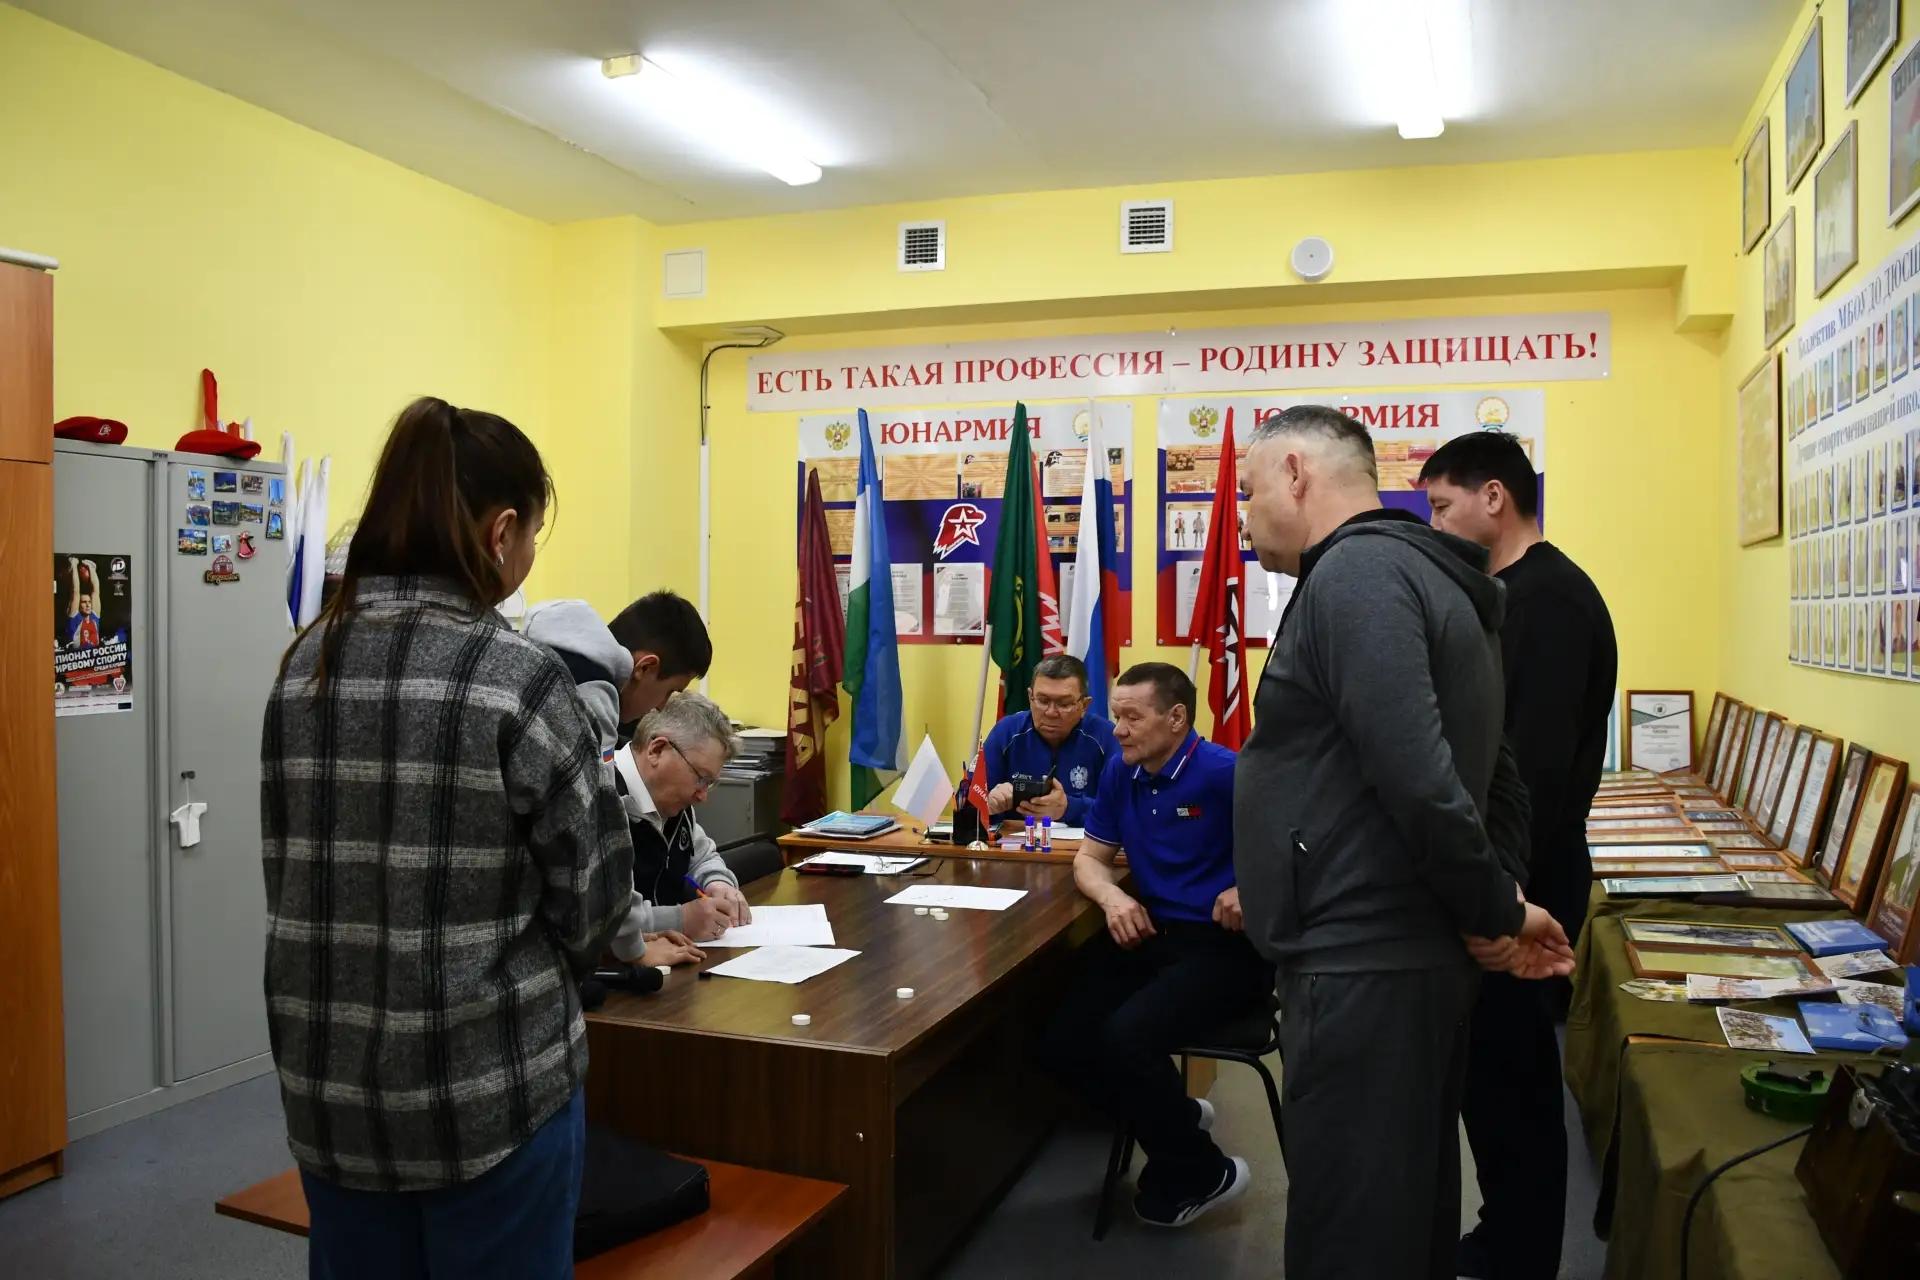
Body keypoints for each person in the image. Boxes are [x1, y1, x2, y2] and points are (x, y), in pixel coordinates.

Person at [261, 397, 634, 1280]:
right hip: (491, 1092)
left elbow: (288, 868)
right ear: (502, 532)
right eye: (532, 532)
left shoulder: (304, 664)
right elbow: (593, 903)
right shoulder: (518, 676)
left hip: (331, 1086)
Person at [1233, 405, 1574, 1280]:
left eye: (1247, 490)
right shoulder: (1434, 576)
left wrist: (1496, 910)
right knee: (1402, 1216)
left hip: (1362, 966)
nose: (1242, 516)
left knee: (1352, 1232)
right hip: (1403, 959)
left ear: (1296, 474)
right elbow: (1498, 775)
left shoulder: (1357, 576)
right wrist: (1497, 904)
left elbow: (1421, 778)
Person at [1420, 430, 1618, 1280]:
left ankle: (1523, 1251)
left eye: (1441, 505)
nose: (1434, 524)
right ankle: (1504, 1229)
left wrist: (1500, 901)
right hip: (1511, 875)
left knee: (1514, 1079)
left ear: (1493, 497)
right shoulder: (1511, 595)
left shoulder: (1549, 602)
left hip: (1528, 876)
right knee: (1492, 1078)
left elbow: (1530, 770)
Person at [1039, 662, 1270, 1228]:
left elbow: (1301, 850)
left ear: (1176, 718)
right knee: (1061, 1042)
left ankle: (1201, 1172)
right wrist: (1113, 900)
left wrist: (1252, 886)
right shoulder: (1123, 773)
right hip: (1155, 936)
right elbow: (1089, 859)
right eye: (1116, 716)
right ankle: (1176, 1117)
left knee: (1127, 1037)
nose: (1117, 729)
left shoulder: (1227, 773)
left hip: (1227, 949)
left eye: (1131, 717)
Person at [603, 691, 754, 950]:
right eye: (700, 778)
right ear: (657, 750)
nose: (703, 796)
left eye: (710, 783)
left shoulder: (671, 802)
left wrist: (718, 884)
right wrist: (680, 919)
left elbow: (703, 856)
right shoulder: (598, 794)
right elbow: (597, 918)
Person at [525, 588, 711, 758]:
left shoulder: (533, 652)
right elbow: (600, 784)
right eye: (670, 691)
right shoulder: (595, 697)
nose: (661, 706)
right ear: (645, 667)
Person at [982, 653, 1116, 826]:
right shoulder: (1007, 733)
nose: (1051, 712)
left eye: (1064, 704)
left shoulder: (1106, 737)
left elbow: (1124, 810)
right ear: (1030, 697)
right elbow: (965, 802)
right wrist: (987, 803)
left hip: (1087, 842)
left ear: (1084, 705)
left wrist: (1069, 808)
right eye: (1043, 701)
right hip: (1016, 841)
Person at [65, 556, 100, 648]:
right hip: (78, 655)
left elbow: (96, 591)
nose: (88, 604)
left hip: (94, 655)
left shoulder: (94, 618)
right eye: (84, 602)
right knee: (75, 592)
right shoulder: (74, 618)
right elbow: (75, 591)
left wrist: (91, 568)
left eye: (89, 602)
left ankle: (91, 566)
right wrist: (74, 565)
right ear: (78, 605)